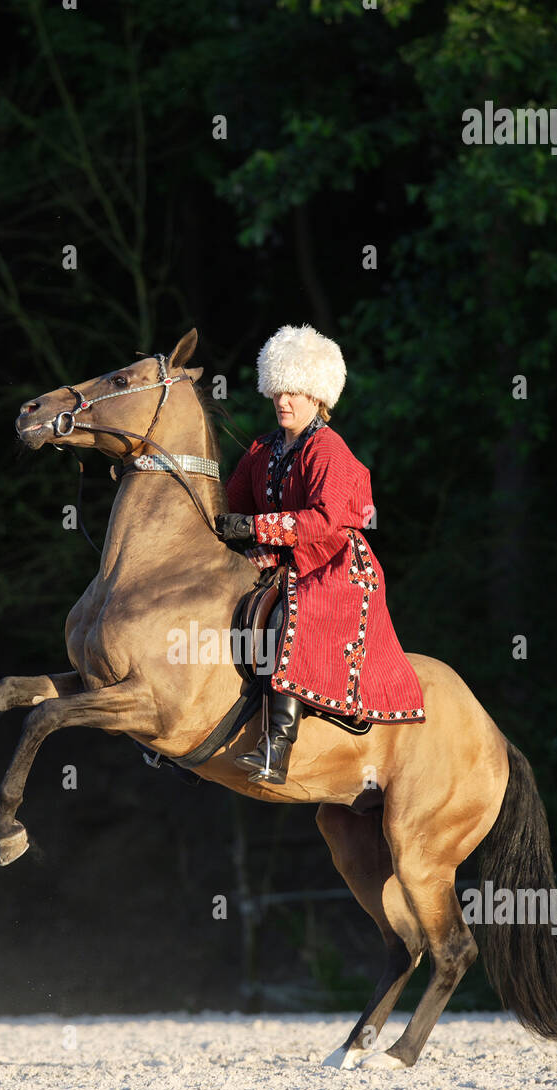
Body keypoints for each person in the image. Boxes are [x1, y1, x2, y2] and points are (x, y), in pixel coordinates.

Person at [215, 323, 424, 785]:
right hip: (280, 558)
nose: (282, 401)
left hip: (334, 564)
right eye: (278, 391)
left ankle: (276, 749)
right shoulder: (262, 449)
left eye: (294, 392)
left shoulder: (328, 448)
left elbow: (325, 520)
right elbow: (229, 504)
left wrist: (254, 528)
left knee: (292, 618)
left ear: (317, 397)